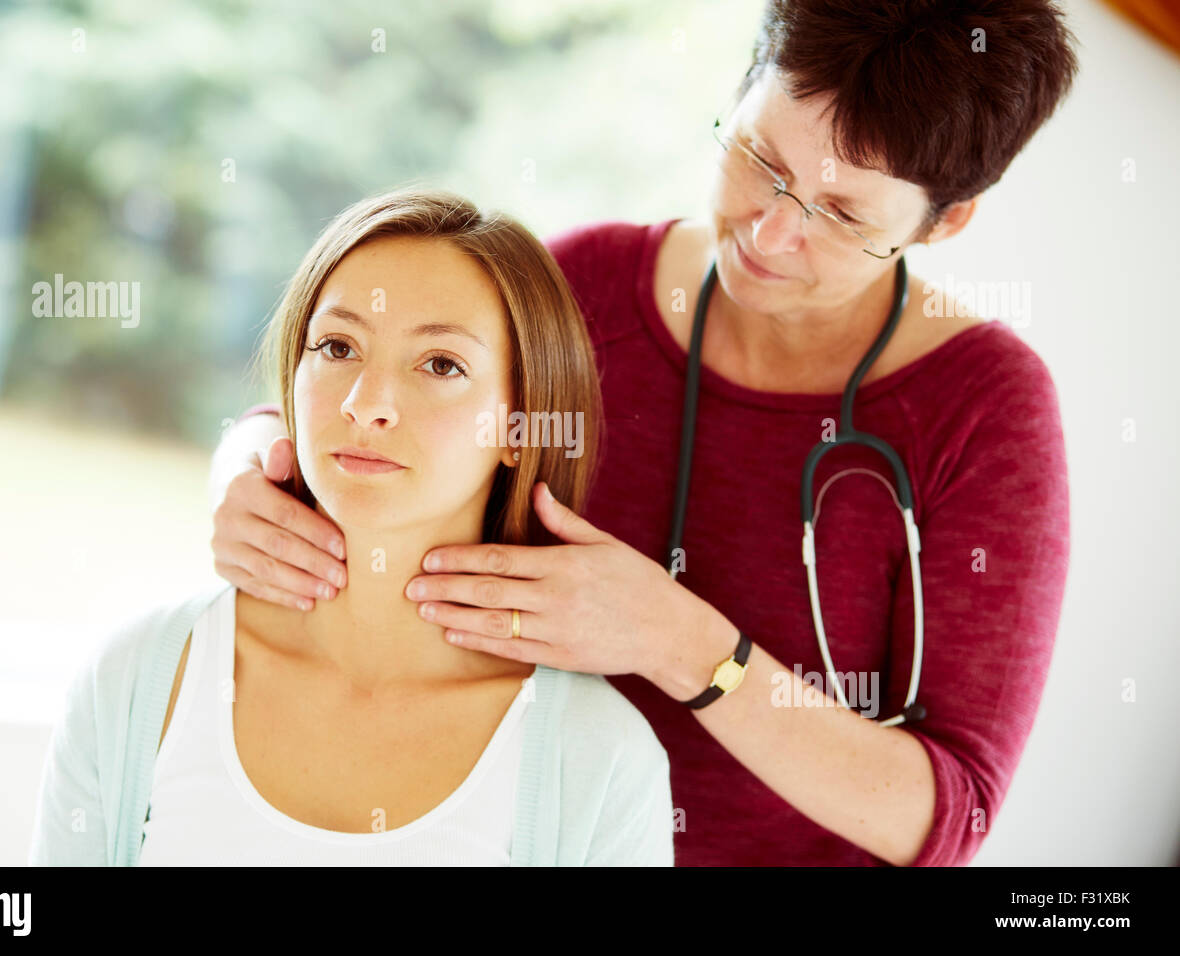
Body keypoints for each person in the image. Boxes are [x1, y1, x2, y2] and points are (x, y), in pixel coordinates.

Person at [208, 0, 1077, 866]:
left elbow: (951, 817)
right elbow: (377, 390)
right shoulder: (587, 288)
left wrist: (680, 643)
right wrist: (246, 463)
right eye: (759, 159)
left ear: (945, 220)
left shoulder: (984, 411)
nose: (772, 234)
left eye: (843, 216)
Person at [29, 188, 674, 866]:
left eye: (442, 364)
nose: (367, 405)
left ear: (521, 426)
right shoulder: (138, 679)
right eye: (338, 346)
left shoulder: (600, 758)